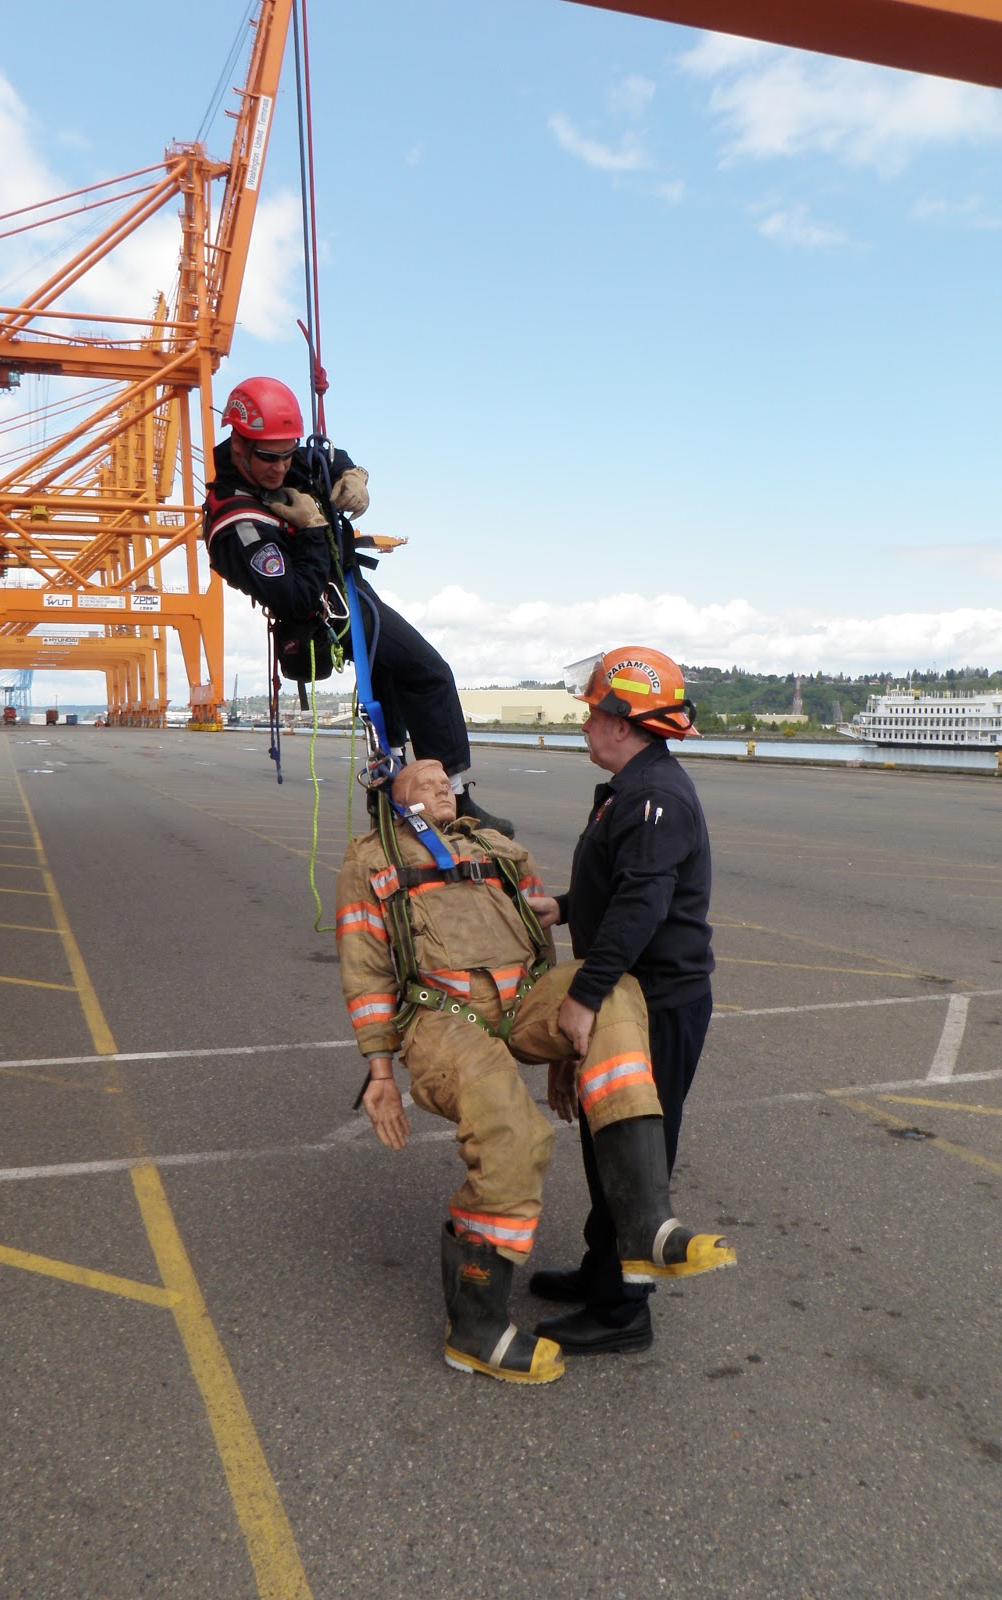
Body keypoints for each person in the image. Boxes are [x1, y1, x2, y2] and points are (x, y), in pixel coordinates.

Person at [336, 759, 733, 1386]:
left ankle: (644, 1224)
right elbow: (365, 969)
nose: (442, 788)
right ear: (393, 799)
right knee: (513, 1135)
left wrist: (566, 1050)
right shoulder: (370, 862)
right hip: (443, 1017)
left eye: (447, 782)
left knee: (610, 989)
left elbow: (540, 942)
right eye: (425, 784)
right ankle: (475, 1328)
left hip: (522, 1001)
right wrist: (379, 1069)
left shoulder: (500, 849)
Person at [526, 645, 726, 1357]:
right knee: (603, 1138)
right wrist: (566, 906)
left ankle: (623, 1313)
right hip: (635, 996)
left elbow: (643, 908)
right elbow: (621, 893)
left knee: (635, 1150)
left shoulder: (655, 797)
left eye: (592, 714)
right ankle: (599, 1272)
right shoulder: (634, 788)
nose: (585, 726)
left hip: (659, 1003)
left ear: (623, 721)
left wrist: (583, 996)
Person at [204, 376, 512, 834]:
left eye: (286, 453)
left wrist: (353, 474)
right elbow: (296, 596)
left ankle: (393, 795)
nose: (281, 467)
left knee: (393, 689)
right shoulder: (236, 524)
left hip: (349, 592)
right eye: (269, 457)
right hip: (326, 614)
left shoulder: (283, 459)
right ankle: (458, 797)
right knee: (430, 675)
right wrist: (310, 531)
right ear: (239, 445)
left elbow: (323, 456)